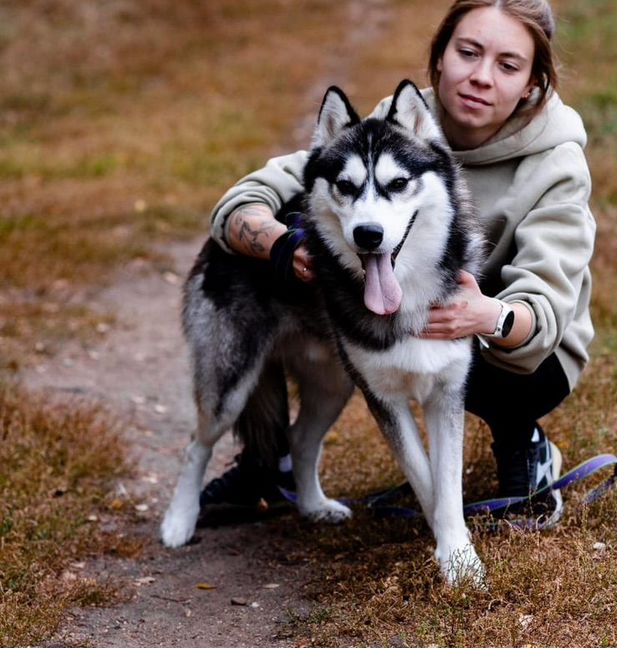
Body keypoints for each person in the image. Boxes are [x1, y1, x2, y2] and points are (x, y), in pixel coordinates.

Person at [200, 0, 595, 529]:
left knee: (473, 307)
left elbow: (546, 306)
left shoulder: (556, 165)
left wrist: (487, 316)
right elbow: (250, 195)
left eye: (507, 64)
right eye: (468, 52)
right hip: (398, 316)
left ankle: (521, 440)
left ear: (531, 84)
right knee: (335, 253)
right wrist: (278, 245)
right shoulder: (392, 128)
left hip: (520, 350)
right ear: (438, 59)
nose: (480, 77)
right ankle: (271, 460)